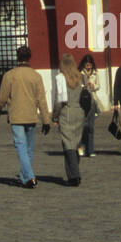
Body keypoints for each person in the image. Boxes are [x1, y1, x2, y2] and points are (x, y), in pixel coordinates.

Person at [0, 46, 51, 188]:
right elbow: (41, 99)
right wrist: (46, 120)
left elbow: (2, 97)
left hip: (16, 116)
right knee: (29, 148)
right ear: (30, 57)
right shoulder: (36, 76)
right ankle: (25, 178)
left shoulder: (10, 75)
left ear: (17, 57)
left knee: (20, 146)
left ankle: (29, 176)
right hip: (31, 116)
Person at [52, 53, 84, 185]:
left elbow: (60, 100)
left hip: (67, 112)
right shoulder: (81, 77)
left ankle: (74, 176)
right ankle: (74, 170)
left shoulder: (61, 78)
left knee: (68, 144)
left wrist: (55, 116)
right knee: (75, 142)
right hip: (79, 111)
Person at [78, 54, 102, 157]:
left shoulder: (96, 73)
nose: (88, 67)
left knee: (91, 126)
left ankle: (91, 150)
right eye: (87, 65)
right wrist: (83, 86)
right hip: (82, 102)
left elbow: (98, 86)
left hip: (92, 101)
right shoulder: (79, 73)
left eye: (90, 65)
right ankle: (81, 146)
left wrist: (93, 86)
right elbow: (77, 87)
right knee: (83, 126)